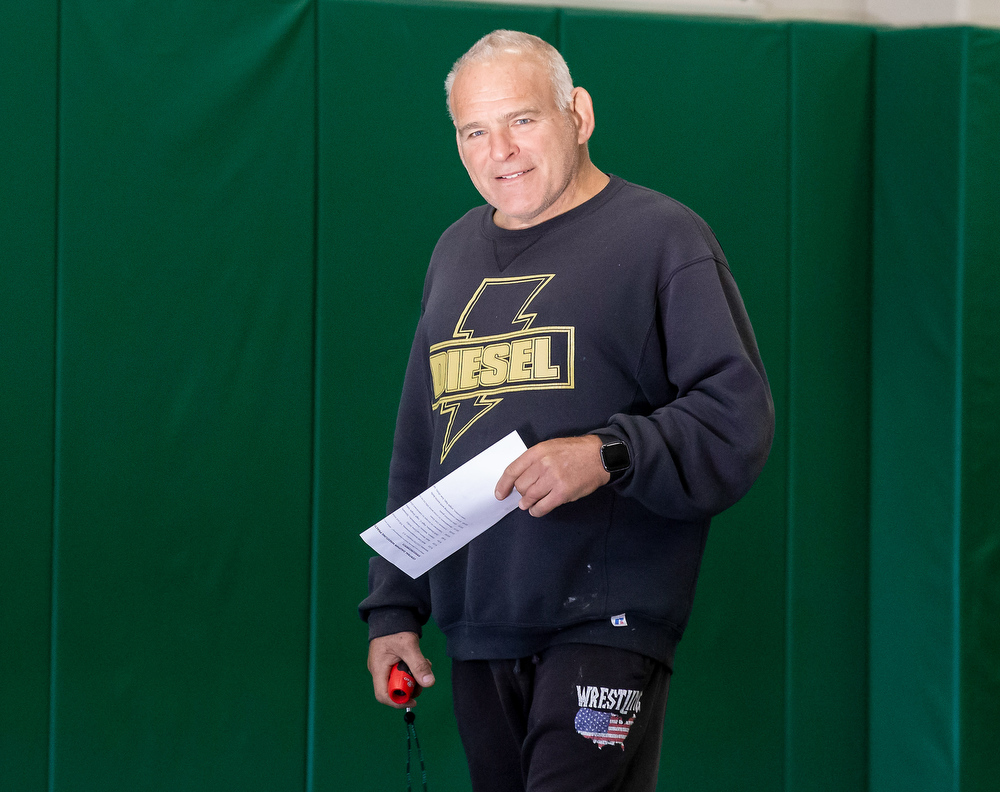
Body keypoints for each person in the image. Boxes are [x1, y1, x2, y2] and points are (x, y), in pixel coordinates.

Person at [359, 29, 774, 792]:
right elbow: (422, 446)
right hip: (481, 625)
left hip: (607, 620)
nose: (501, 151)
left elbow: (735, 419)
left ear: (578, 114)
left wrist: (608, 453)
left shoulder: (662, 237)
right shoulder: (453, 253)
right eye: (474, 131)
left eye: (522, 120)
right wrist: (393, 607)